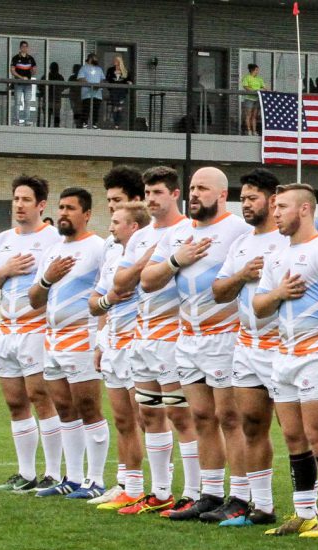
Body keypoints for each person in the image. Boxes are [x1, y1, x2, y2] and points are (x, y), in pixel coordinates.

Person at [141, 167, 250, 523]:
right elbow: (147, 281)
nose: (195, 194)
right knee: (201, 416)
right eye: (191, 188)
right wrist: (177, 261)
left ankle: (242, 495)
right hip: (187, 338)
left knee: (230, 418)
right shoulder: (179, 234)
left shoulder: (237, 230)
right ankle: (211, 493)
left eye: (202, 188)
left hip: (226, 335)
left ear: (222, 194)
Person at [253, 183, 318, 538]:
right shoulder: (276, 256)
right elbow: (259, 307)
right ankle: (304, 512)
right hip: (283, 354)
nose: (275, 213)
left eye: (282, 207)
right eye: (275, 207)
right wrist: (279, 292)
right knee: (293, 436)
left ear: (305, 210)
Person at [113, 166, 198, 516]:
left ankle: (194, 491)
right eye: (147, 193)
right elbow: (121, 282)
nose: (151, 199)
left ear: (175, 194)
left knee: (181, 416)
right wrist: (145, 265)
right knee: (149, 413)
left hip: (174, 338)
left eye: (158, 192)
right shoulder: (140, 236)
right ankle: (159, 490)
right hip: (142, 336)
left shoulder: (187, 230)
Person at [210, 168, 289, 527]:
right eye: (242, 198)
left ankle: (316, 509)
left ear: (273, 201)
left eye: (252, 198)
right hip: (246, 344)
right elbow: (218, 291)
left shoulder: (288, 241)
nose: (245, 204)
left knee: (296, 432)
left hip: (283, 347)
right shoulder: (241, 244)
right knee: (251, 424)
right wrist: (242, 274)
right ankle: (259, 505)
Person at [0, 175, 63, 492]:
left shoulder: (54, 239)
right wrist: (5, 270)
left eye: (26, 199)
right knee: (15, 403)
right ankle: (26, 473)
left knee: (41, 398)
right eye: (16, 199)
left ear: (41, 205)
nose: (19, 205)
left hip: (37, 331)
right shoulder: (1, 241)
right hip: (6, 333)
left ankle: (53, 473)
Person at [27, 187, 110, 499]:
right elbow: (34, 299)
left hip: (83, 339)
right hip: (53, 341)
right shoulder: (51, 251)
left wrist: (101, 338)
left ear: (86, 214)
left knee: (88, 407)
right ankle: (72, 478)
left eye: (70, 208)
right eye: (60, 207)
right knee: (63, 408)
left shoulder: (98, 248)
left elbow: (105, 297)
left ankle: (96, 480)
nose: (63, 213)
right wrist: (47, 277)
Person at [84, 165, 146, 507]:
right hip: (114, 341)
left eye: (117, 200)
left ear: (136, 204)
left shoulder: (150, 244)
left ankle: (157, 489)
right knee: (122, 418)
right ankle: (126, 484)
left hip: (141, 341)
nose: (111, 207)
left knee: (147, 418)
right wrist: (100, 340)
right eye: (108, 201)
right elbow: (99, 299)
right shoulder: (110, 246)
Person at [10, 41, 37, 126]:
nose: (24, 48)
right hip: (18, 83)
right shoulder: (15, 58)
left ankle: (27, 120)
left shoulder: (30, 58)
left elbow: (34, 69)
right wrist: (21, 77)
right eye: (23, 46)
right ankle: (16, 120)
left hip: (28, 84)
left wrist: (30, 75)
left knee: (27, 102)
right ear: (20, 47)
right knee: (17, 101)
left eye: (26, 46)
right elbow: (12, 71)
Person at [78, 53, 105, 129]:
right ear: (90, 59)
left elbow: (102, 79)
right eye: (95, 58)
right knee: (86, 108)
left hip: (97, 94)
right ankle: (84, 124)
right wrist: (90, 85)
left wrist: (98, 85)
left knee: (96, 109)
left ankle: (94, 125)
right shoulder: (84, 68)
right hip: (87, 94)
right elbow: (80, 78)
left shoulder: (99, 69)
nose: (96, 60)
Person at [105, 54, 130, 130]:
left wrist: (129, 83)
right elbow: (107, 79)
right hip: (114, 91)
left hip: (122, 92)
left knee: (120, 108)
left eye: (116, 60)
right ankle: (115, 124)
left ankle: (119, 124)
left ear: (120, 61)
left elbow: (129, 80)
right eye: (114, 60)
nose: (114, 61)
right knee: (115, 107)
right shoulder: (110, 70)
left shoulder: (125, 70)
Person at [241, 64, 266, 136]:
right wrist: (254, 91)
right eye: (256, 70)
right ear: (252, 70)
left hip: (257, 99)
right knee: (248, 115)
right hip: (249, 98)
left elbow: (264, 87)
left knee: (254, 116)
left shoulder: (259, 79)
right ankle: (249, 130)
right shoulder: (246, 77)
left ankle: (254, 131)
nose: (257, 71)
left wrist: (264, 90)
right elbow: (246, 87)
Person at [45, 62, 64, 127]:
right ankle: (56, 127)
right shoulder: (60, 77)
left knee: (47, 116)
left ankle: (46, 127)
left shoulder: (46, 76)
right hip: (56, 100)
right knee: (56, 116)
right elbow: (63, 87)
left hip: (48, 100)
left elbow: (41, 87)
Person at [67, 64, 83, 129]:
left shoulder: (72, 78)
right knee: (79, 111)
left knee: (76, 111)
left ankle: (77, 124)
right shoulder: (81, 78)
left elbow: (67, 85)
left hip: (75, 98)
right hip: (78, 98)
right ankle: (79, 125)